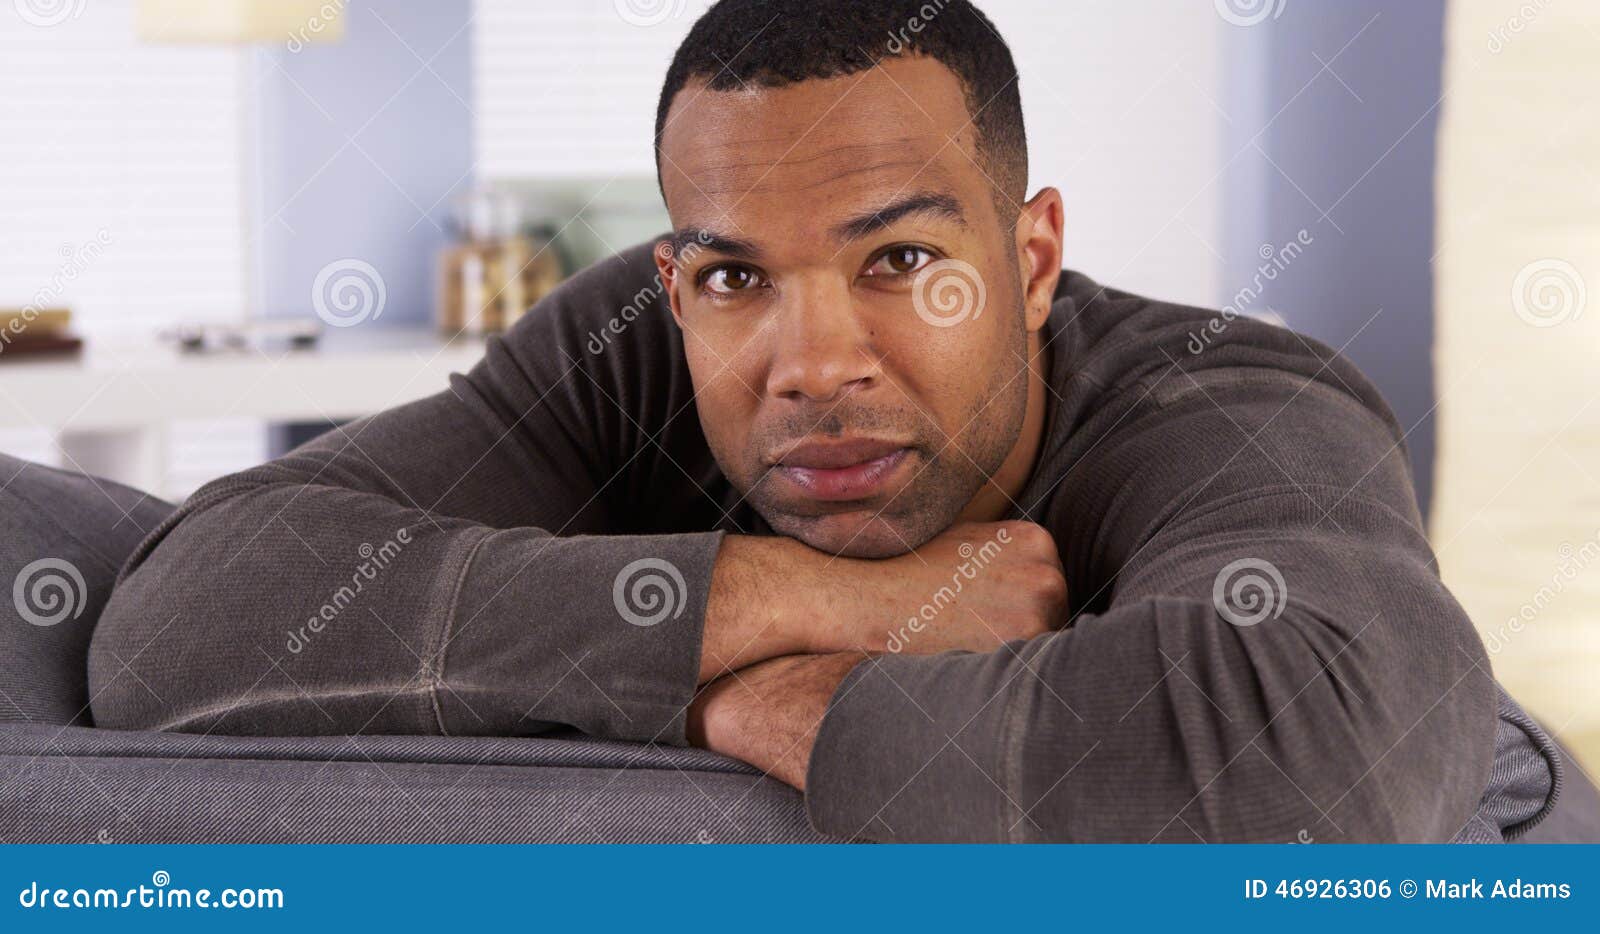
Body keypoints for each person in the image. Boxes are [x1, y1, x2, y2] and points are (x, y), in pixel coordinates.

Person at [89, 0, 1495, 842]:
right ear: (673, 277)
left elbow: (1347, 743)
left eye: (900, 262)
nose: (810, 360)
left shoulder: (1231, 400)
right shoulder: (628, 345)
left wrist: (766, 701)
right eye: (734, 276)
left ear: (1033, 256)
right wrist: (826, 601)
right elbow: (179, 625)